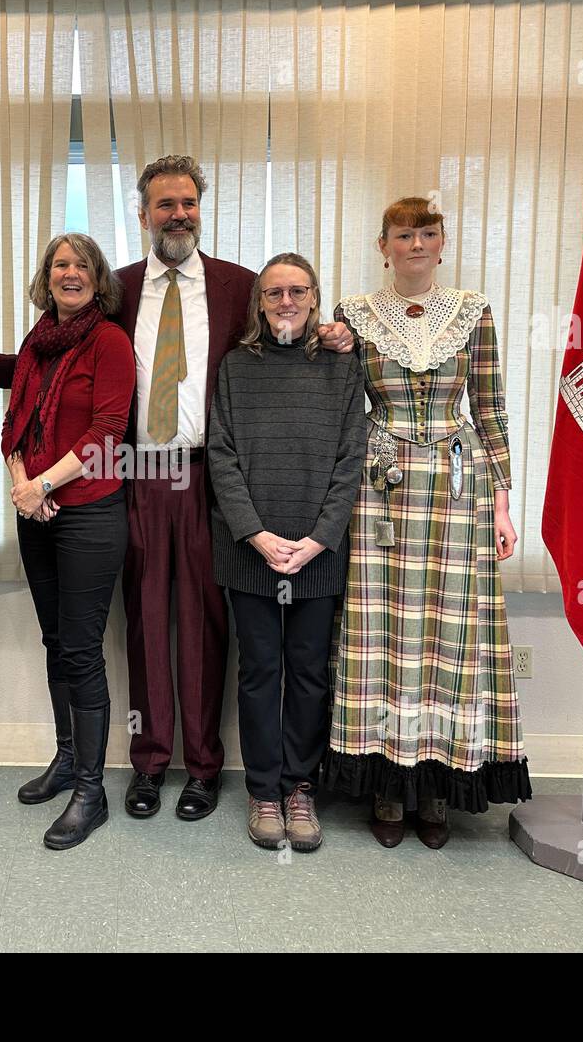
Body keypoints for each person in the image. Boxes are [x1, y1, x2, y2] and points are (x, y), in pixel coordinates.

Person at [0, 155, 254, 823]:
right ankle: (150, 764)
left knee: (208, 626)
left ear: (200, 208)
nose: (177, 213)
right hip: (136, 477)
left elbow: (278, 351)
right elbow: (56, 360)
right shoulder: (115, 290)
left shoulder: (239, 287)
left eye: (187, 202)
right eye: (164, 204)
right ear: (143, 213)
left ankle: (204, 767)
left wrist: (335, 337)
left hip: (211, 477)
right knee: (146, 623)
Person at [322, 197, 532, 849]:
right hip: (381, 487)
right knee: (382, 630)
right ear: (383, 245)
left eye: (428, 233)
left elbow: (492, 408)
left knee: (449, 632)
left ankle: (438, 788)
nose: (416, 244)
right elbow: (339, 406)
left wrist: (502, 502)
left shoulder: (473, 310)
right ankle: (388, 788)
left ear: (442, 244)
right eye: (404, 234)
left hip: (457, 485)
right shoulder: (353, 314)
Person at [208, 254, 365, 851]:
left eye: (297, 290)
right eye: (274, 292)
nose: (286, 301)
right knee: (258, 673)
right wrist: (255, 534)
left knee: (307, 674)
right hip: (252, 552)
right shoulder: (236, 368)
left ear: (315, 296)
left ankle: (301, 787)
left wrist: (319, 539)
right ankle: (264, 792)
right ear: (259, 302)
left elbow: (352, 458)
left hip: (316, 553)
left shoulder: (340, 369)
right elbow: (221, 456)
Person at [2, 233, 135, 849]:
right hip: (38, 509)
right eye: (60, 264)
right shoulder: (36, 342)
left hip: (89, 512)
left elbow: (109, 431)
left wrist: (43, 483)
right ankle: (64, 759)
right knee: (55, 640)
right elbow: (15, 424)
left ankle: (92, 788)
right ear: (46, 276)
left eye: (82, 265)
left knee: (81, 649)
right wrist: (22, 483)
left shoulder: (108, 340)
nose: (71, 273)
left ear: (97, 277)